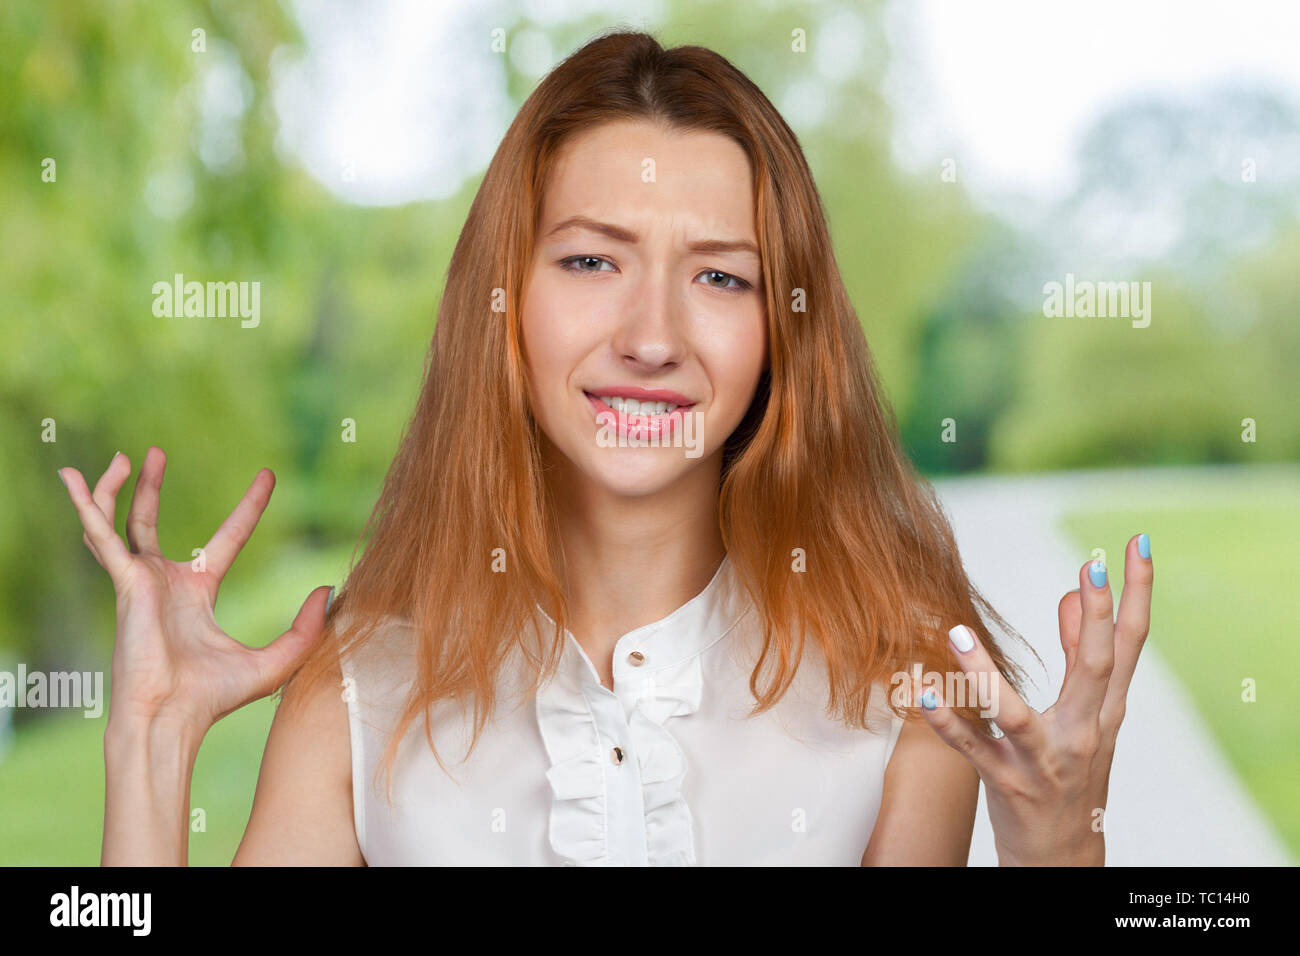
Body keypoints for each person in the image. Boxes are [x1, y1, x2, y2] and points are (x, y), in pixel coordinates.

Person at [57, 30, 1153, 866]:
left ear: (783, 330)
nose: (650, 337)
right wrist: (150, 748)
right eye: (591, 261)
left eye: (720, 276)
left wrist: (1060, 847)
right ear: (505, 302)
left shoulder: (895, 703)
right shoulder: (356, 689)